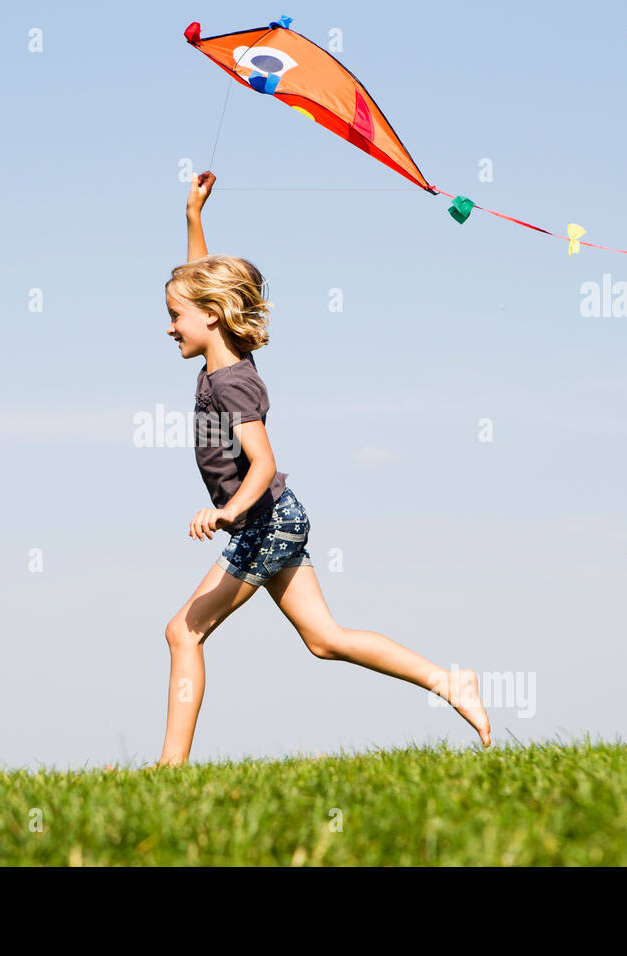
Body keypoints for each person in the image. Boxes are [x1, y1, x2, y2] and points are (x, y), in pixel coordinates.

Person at [154, 169, 491, 768]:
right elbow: (197, 284)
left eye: (175, 316)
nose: (169, 326)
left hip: (261, 519)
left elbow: (263, 463)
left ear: (210, 317)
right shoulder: (225, 353)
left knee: (185, 631)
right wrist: (193, 217)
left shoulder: (232, 384)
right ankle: (449, 683)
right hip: (275, 519)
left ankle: (168, 770)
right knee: (324, 639)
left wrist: (226, 510)